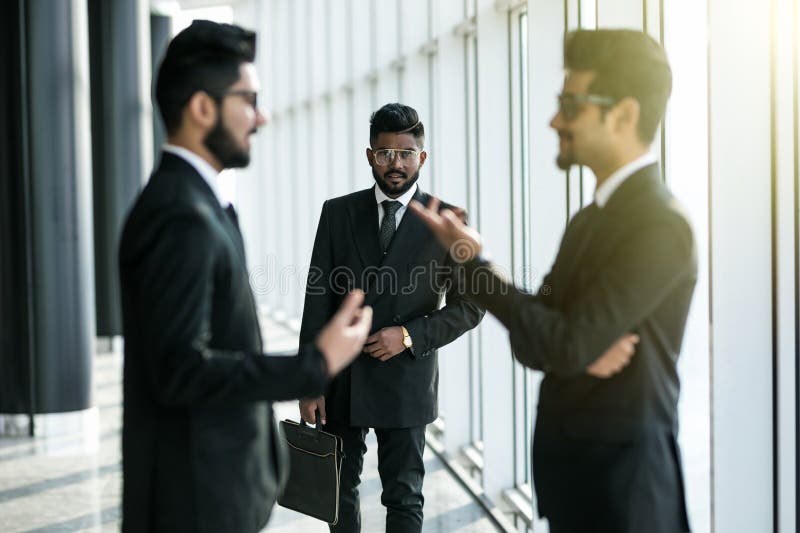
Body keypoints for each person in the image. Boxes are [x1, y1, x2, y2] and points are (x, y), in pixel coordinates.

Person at [411, 29, 696, 533]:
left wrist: (473, 262)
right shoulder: (591, 219)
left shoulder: (661, 224)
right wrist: (570, 345)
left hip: (628, 502)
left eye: (571, 103)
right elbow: (537, 344)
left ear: (624, 115)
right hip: (577, 490)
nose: (554, 120)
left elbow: (559, 342)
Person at [118, 20, 372, 533]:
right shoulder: (179, 216)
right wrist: (315, 363)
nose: (262, 116)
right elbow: (182, 371)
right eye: (248, 99)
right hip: (196, 503)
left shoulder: (196, 202)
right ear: (202, 108)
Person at [297, 103, 485, 533]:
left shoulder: (448, 220)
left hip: (405, 377)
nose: (394, 164)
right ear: (369, 156)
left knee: (403, 497)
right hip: (341, 376)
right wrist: (309, 381)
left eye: (405, 153)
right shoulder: (337, 213)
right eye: (384, 153)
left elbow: (471, 306)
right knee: (338, 495)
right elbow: (317, 302)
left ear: (422, 157)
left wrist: (408, 335)